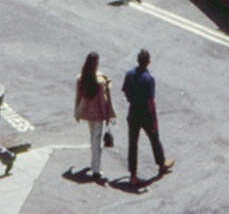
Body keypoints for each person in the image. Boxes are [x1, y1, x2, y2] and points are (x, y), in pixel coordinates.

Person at [122, 49, 173, 186]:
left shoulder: (129, 74)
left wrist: (131, 100)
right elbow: (150, 101)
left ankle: (133, 175)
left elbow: (125, 91)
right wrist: (154, 119)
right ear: (148, 62)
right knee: (154, 138)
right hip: (145, 114)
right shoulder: (149, 79)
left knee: (133, 144)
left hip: (133, 113)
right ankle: (161, 163)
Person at [74, 52, 116, 181]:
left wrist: (76, 111)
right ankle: (96, 169)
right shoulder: (100, 82)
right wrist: (108, 115)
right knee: (97, 140)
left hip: (87, 113)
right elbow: (104, 101)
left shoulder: (82, 78)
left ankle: (94, 163)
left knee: (93, 137)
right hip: (98, 114)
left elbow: (78, 96)